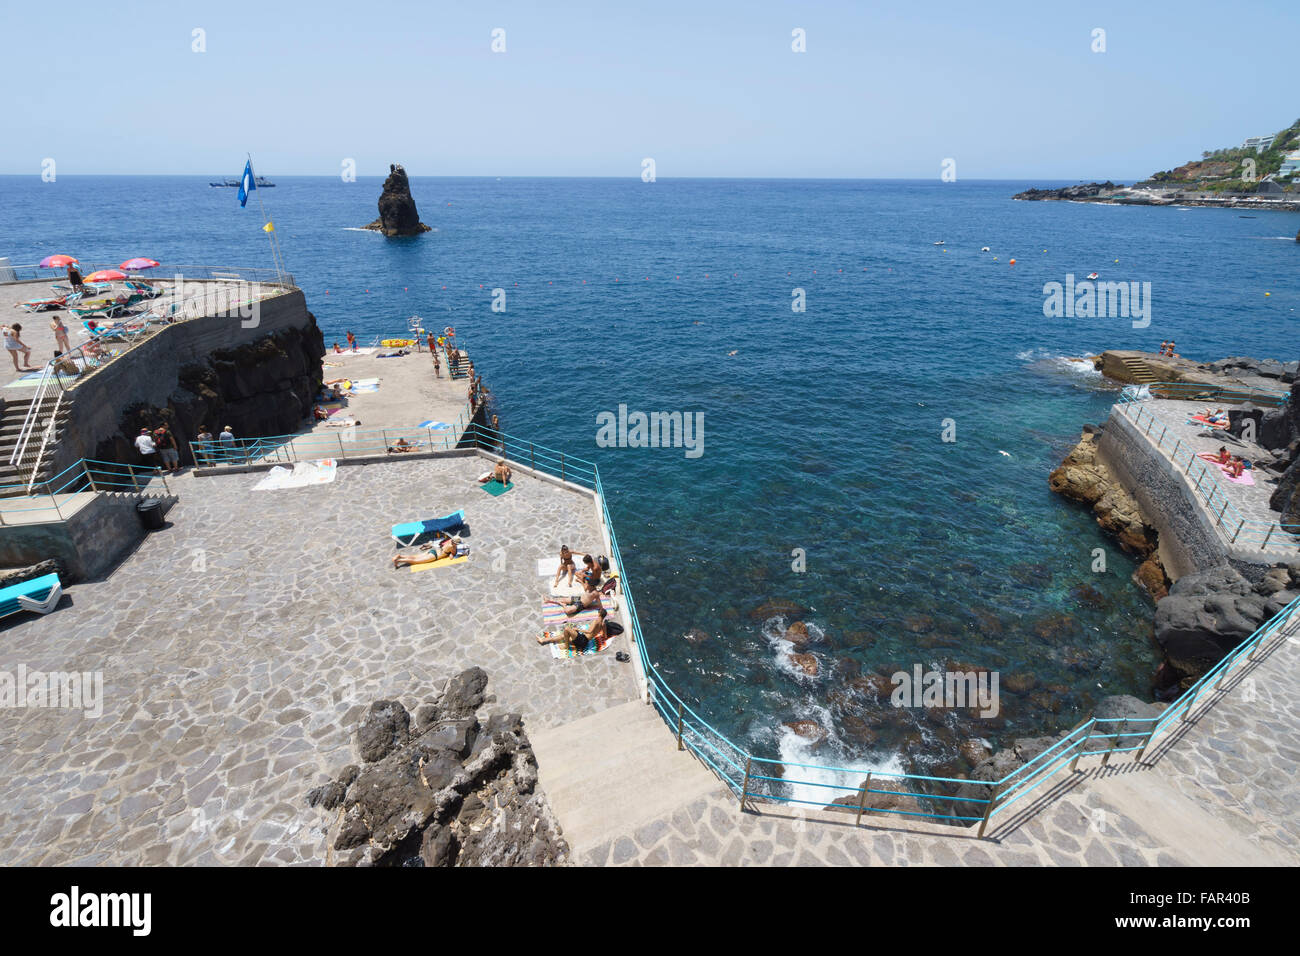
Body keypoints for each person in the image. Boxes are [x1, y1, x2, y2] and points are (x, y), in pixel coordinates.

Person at [392, 532, 459, 568]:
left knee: (415, 556)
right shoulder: (452, 547)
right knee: (416, 561)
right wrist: (452, 554)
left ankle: (400, 556)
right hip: (435, 556)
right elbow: (451, 556)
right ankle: (399, 560)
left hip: (434, 550)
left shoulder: (449, 541)